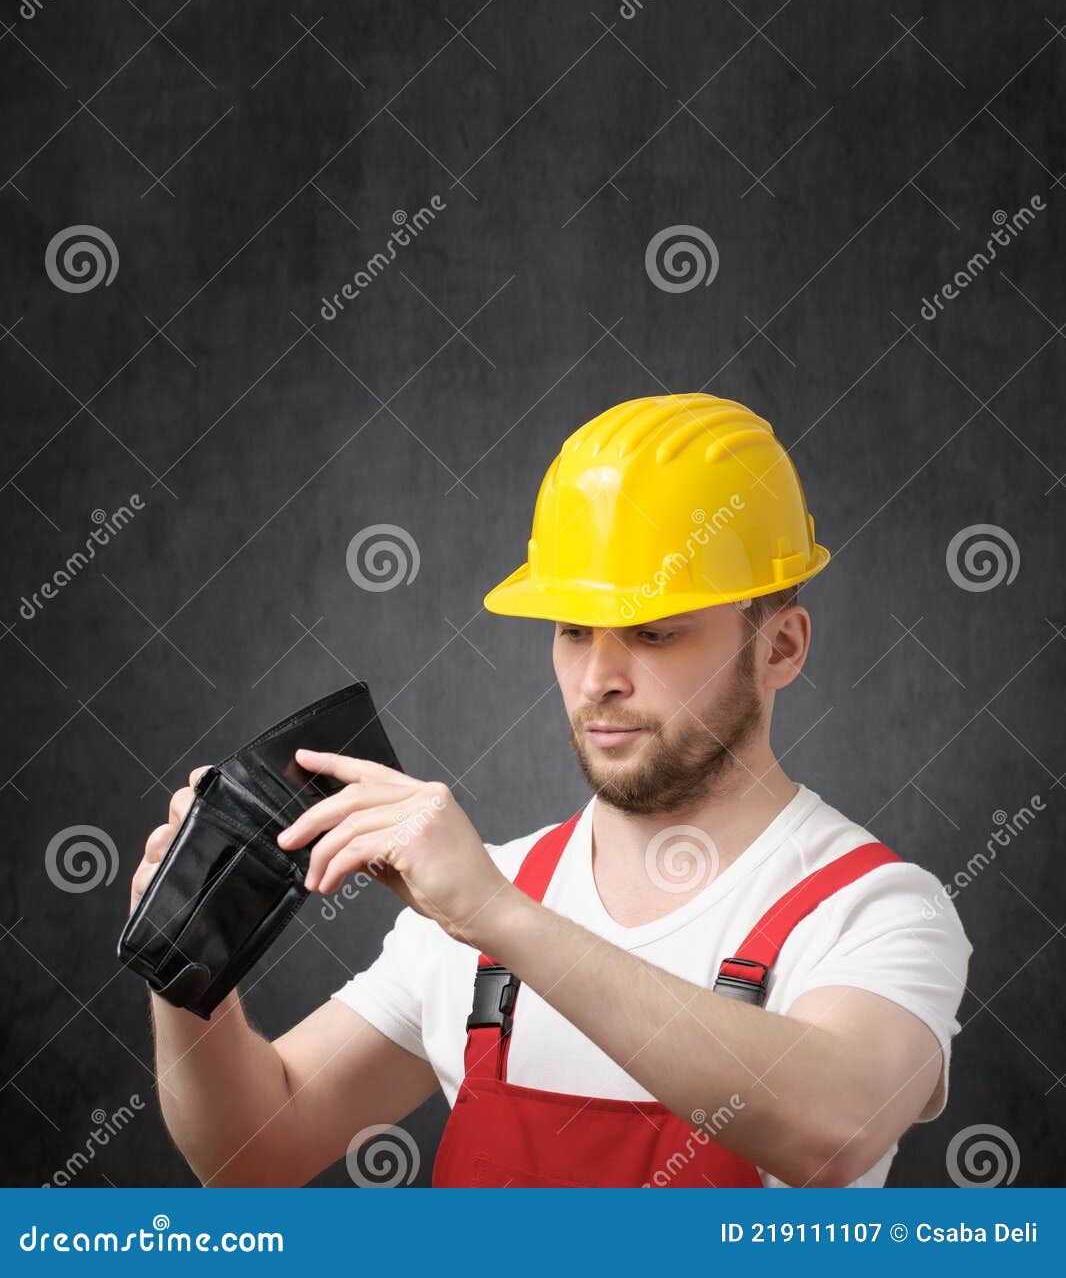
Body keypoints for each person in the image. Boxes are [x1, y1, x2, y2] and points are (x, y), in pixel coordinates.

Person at [132, 392, 971, 1188]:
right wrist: (188, 964)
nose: (598, 678)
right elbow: (251, 1153)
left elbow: (837, 1129)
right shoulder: (480, 895)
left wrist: (499, 919)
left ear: (780, 648)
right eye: (574, 629)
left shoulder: (877, 910)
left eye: (652, 632)